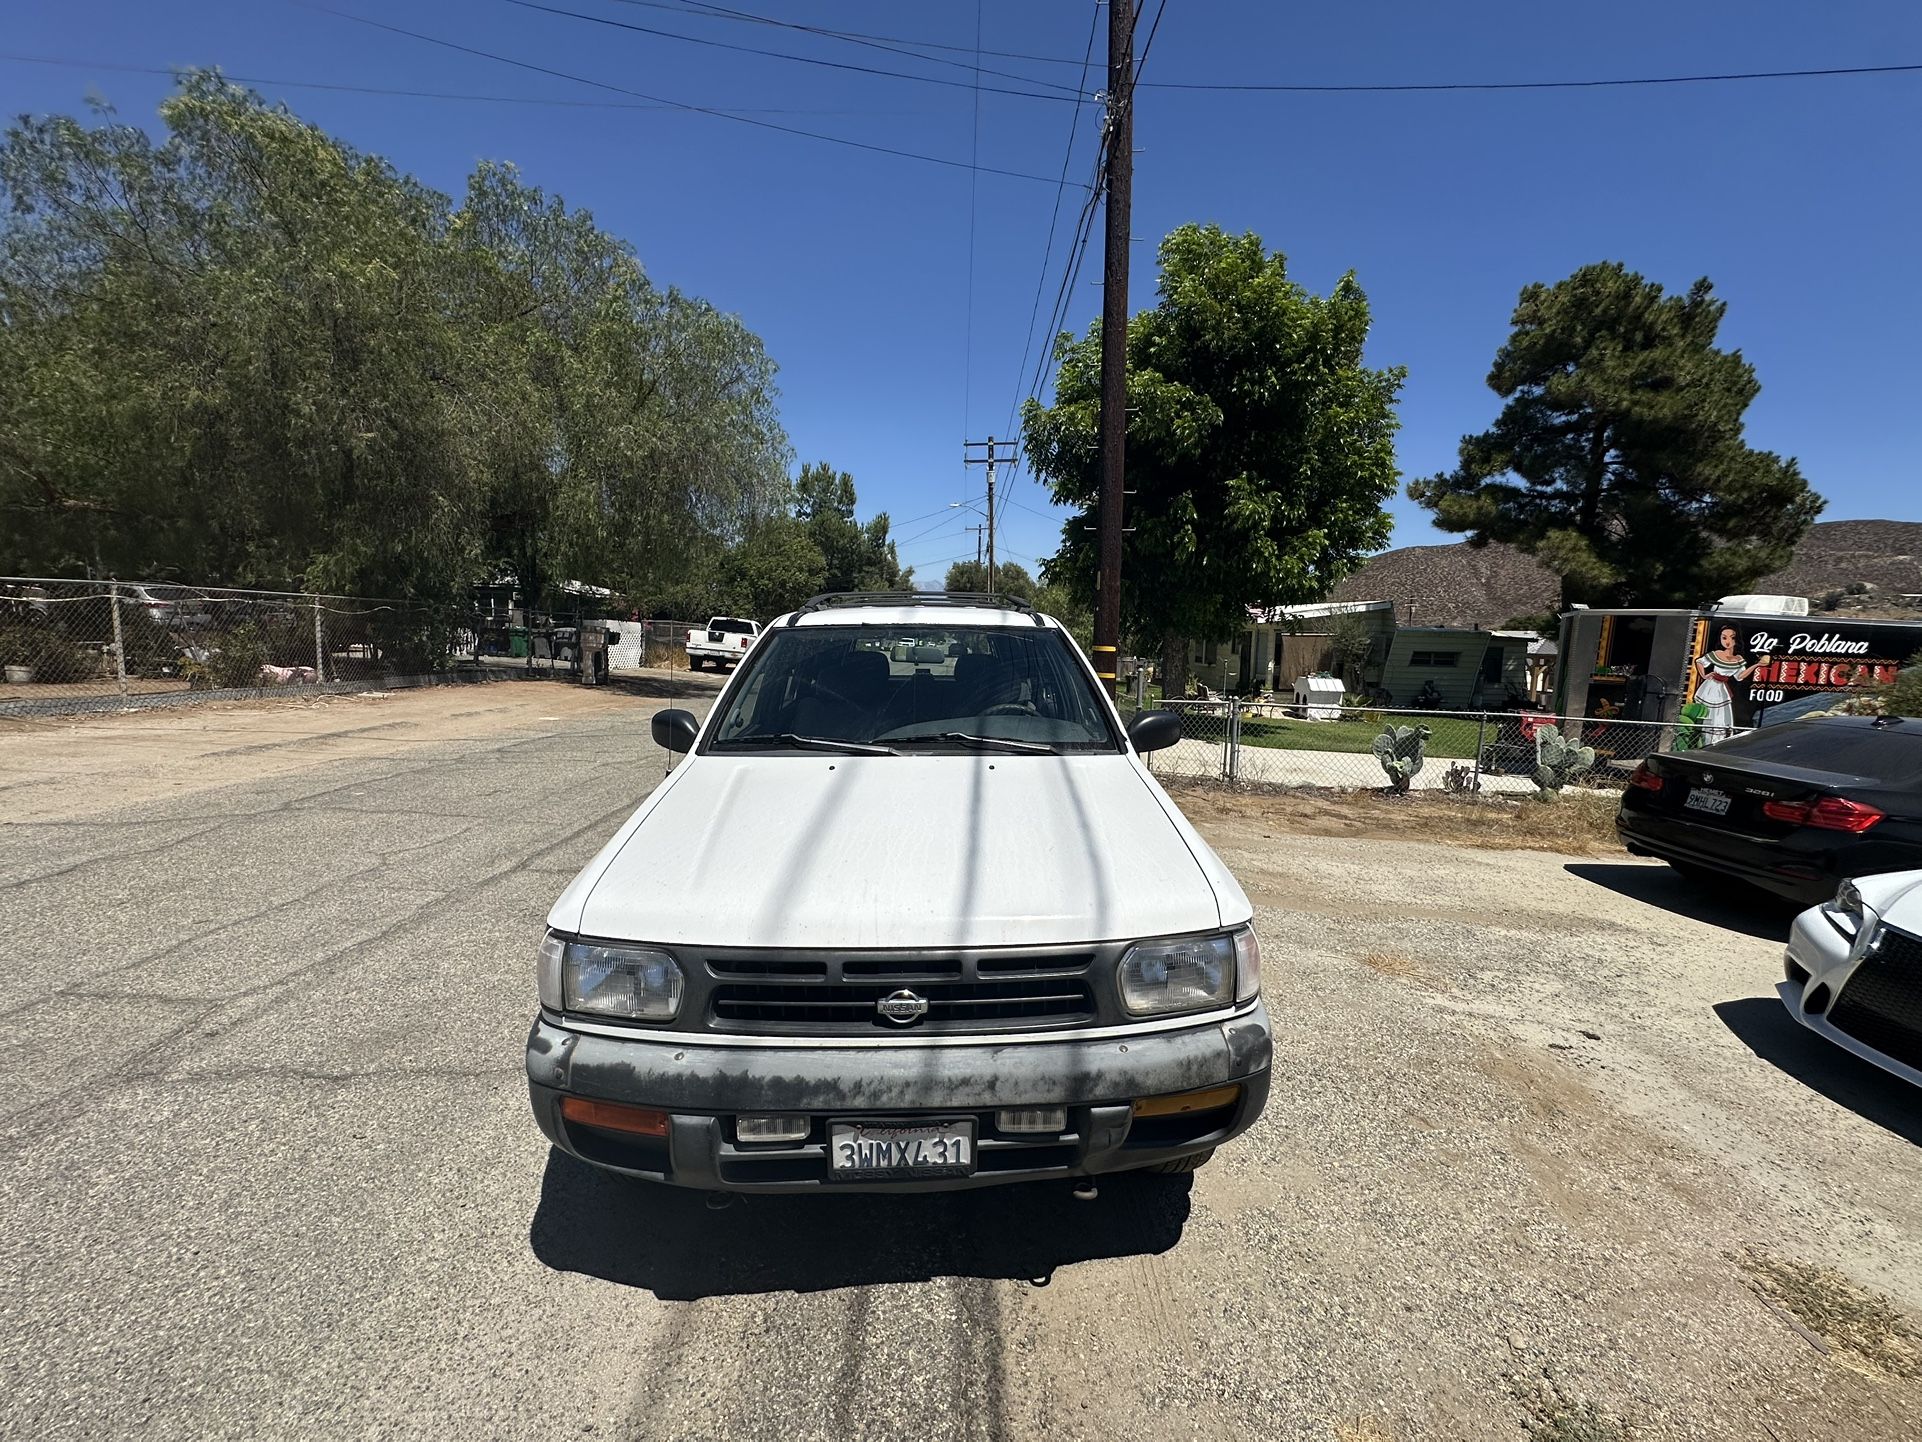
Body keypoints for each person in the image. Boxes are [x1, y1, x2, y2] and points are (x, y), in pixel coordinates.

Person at [1693, 625, 1771, 742]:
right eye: (1724, 638)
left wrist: (1757, 665)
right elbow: (1699, 662)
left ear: (1736, 640)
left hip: (1722, 689)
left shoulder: (1738, 659)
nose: (1728, 641)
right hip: (1710, 687)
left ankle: (1716, 741)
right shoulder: (1717, 653)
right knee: (1707, 714)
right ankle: (1701, 738)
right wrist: (1704, 675)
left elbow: (1740, 677)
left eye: (1732, 638)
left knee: (1721, 717)